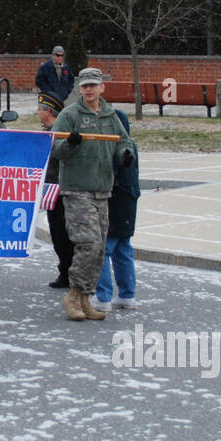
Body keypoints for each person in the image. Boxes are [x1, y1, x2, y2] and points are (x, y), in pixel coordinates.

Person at [49, 67, 136, 321]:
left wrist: (125, 155)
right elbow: (55, 148)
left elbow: (123, 142)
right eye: (85, 86)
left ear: (101, 87)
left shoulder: (110, 116)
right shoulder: (70, 114)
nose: (89, 90)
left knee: (99, 250)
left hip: (102, 189)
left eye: (93, 85)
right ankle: (73, 295)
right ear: (80, 88)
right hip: (77, 189)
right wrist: (71, 144)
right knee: (89, 244)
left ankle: (86, 298)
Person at [91, 106, 140, 312]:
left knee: (104, 248)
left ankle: (103, 297)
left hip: (113, 201)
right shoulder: (131, 145)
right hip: (129, 201)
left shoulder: (113, 148)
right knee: (123, 248)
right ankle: (127, 294)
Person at [37, 93, 74, 289]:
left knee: (63, 233)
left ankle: (68, 272)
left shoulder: (59, 133)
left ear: (48, 111)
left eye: (40, 109)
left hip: (62, 189)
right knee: (57, 232)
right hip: (51, 189)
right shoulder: (48, 131)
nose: (37, 113)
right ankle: (65, 270)